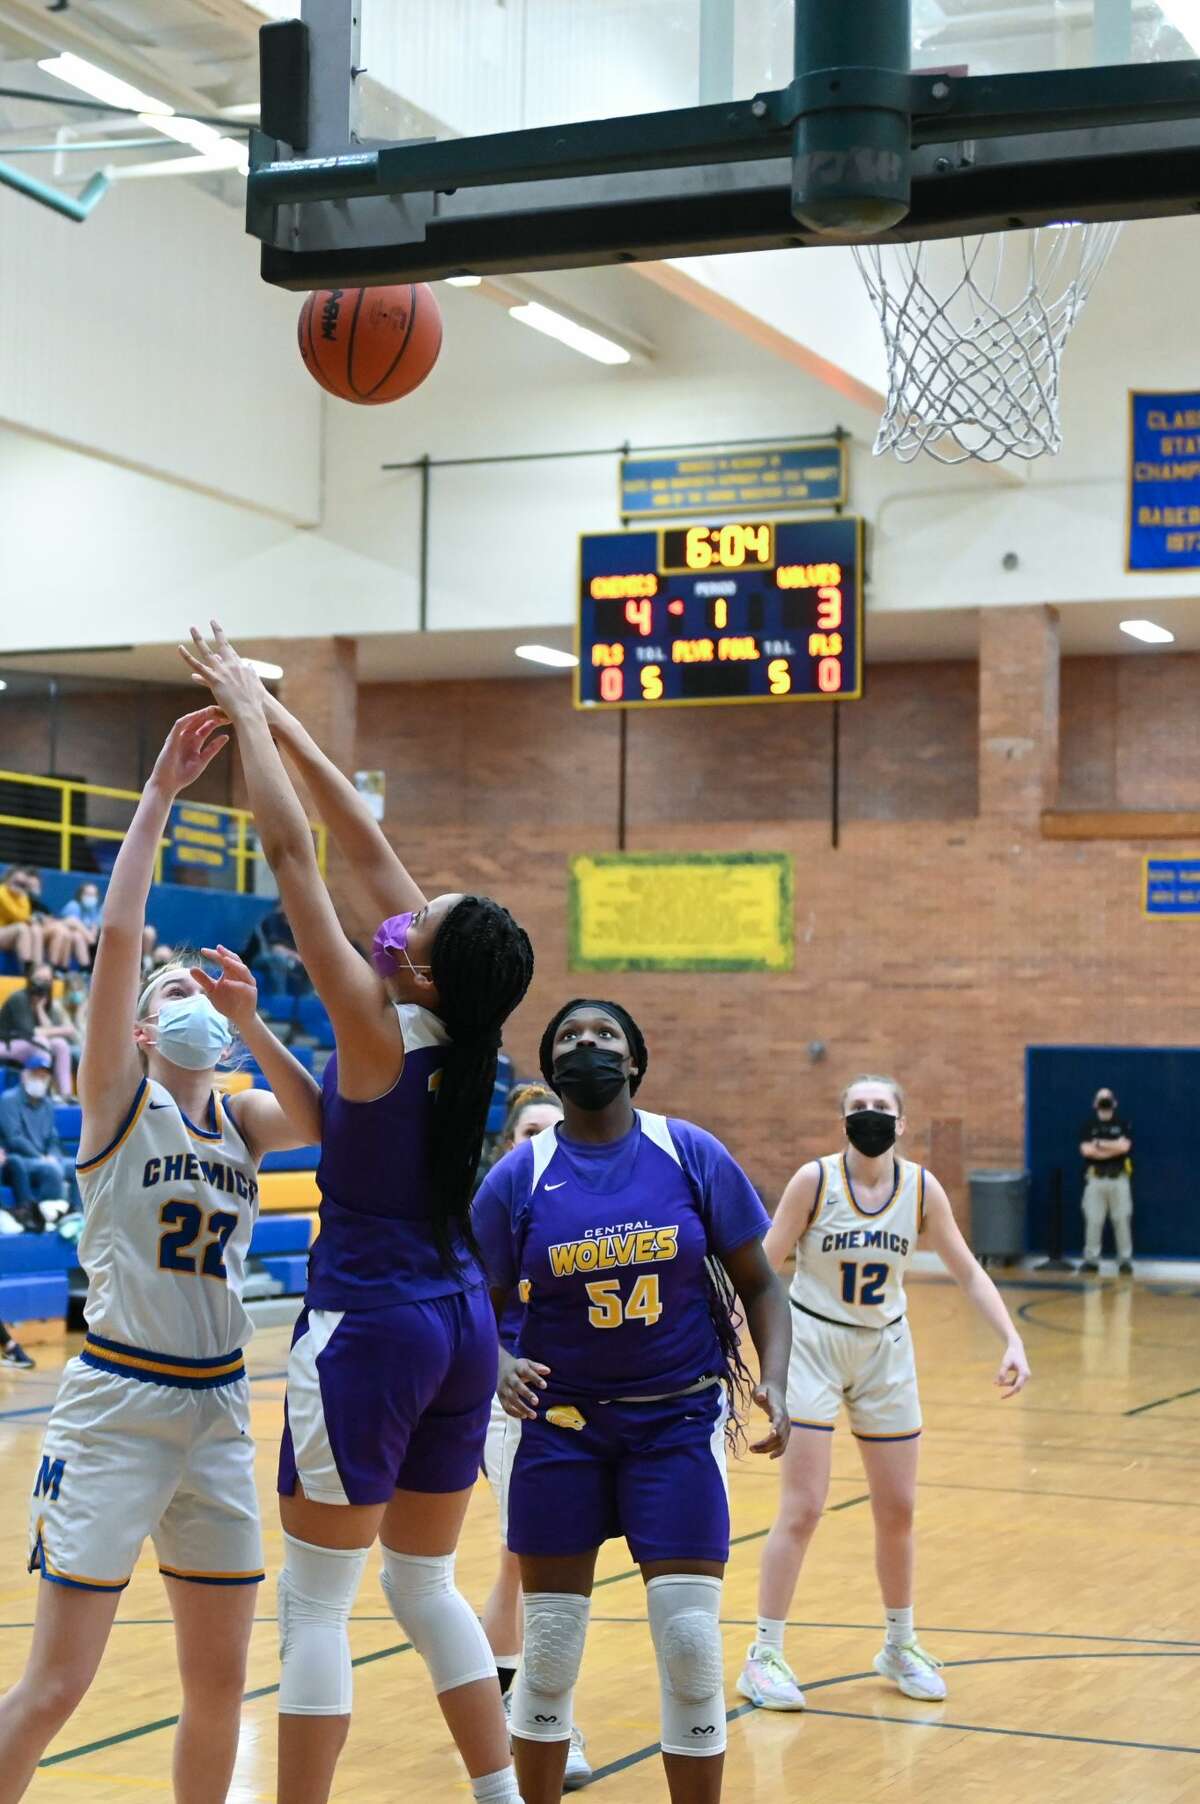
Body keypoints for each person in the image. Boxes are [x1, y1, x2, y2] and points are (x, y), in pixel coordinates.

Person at [181, 622, 535, 1804]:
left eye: (420, 924)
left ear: (423, 968)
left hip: (372, 1327)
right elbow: (364, 840)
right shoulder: (467, 1032)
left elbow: (295, 852)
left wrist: (245, 711)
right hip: (458, 1326)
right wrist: (280, 720)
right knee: (423, 1585)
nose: (406, 912)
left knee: (317, 1602)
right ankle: (498, 1794)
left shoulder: (379, 1025)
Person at [0, 712, 322, 1804]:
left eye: (199, 991)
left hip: (219, 1410)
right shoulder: (116, 1102)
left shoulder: (243, 1116)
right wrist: (158, 796)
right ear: (139, 1032)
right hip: (118, 1406)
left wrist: (253, 1021)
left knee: (221, 1688)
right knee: (57, 1684)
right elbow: (121, 932)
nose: (189, 997)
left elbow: (328, 1123)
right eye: (171, 993)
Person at [473, 998, 791, 1804]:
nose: (587, 1043)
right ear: (551, 1066)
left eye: (604, 1033)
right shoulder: (519, 1175)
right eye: (570, 1036)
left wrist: (777, 1380)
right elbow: (470, 1301)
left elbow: (760, 1283)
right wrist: (496, 1361)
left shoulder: (689, 1152)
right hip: (561, 1427)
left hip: (677, 1421)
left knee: (690, 1645)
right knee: (549, 1648)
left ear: (634, 1060)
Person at [739, 1074, 1032, 1715]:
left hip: (885, 1349)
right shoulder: (814, 1181)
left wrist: (1011, 1338)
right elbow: (760, 1271)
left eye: (881, 1107)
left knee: (898, 1508)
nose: (869, 1114)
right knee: (803, 1506)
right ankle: (763, 1655)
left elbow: (966, 1269)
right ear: (842, 1117)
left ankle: (899, 1644)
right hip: (813, 1344)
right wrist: (732, 1349)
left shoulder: (922, 1188)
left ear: (902, 1122)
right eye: (858, 1106)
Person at [478, 1085, 591, 1792]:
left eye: (554, 1128)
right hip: (513, 1400)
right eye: (530, 1130)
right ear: (509, 1143)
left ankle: (510, 1705)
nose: (542, 1139)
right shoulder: (494, 1208)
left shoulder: (591, 1209)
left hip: (582, 1403)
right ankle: (539, 1714)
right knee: (534, 1561)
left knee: (522, 1564)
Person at [0, 1051, 72, 1231]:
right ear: (24, 1076)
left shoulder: (47, 1104)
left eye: (44, 1076)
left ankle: (77, 1214)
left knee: (76, 1168)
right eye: (36, 1075)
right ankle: (46, 1216)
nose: (40, 1080)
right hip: (20, 1158)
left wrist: (52, 1155)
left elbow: (53, 1138)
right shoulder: (8, 1100)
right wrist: (41, 1157)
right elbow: (13, 1138)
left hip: (45, 1158)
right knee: (52, 1170)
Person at [1079, 1087, 1134, 1276]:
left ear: (1114, 1102)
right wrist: (1113, 1147)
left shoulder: (1122, 1124)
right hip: (1095, 1180)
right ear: (1095, 1103)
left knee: (1122, 1219)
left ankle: (1125, 1261)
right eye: (1101, 1099)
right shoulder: (1088, 1126)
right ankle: (1091, 1261)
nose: (1104, 1102)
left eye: (1108, 1099)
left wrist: (1100, 1144)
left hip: (1119, 1180)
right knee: (1093, 1220)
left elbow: (1124, 1148)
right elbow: (1087, 1151)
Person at [0, 967, 76, 1099]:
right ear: (30, 979)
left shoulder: (45, 1001)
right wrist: (63, 1030)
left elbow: (48, 1031)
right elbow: (30, 1032)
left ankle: (65, 1094)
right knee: (41, 1043)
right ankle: (41, 1094)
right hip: (6, 1044)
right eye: (39, 979)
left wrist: (40, 1009)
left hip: (28, 1044)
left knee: (60, 1044)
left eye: (47, 980)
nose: (42, 984)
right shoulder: (19, 998)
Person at [0, 869, 43, 972]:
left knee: (36, 928)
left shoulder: (22, 896)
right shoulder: (1, 892)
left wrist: (29, 920)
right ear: (8, 879)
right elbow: (17, 915)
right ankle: (26, 968)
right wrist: (28, 919)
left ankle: (37, 967)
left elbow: (25, 915)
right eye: (16, 881)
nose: (18, 886)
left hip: (10, 935)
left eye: (22, 884)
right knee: (22, 928)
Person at [60, 882, 103, 964]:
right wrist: (88, 935)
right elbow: (71, 921)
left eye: (93, 895)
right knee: (77, 936)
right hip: (67, 938)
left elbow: (94, 933)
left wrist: (91, 936)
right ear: (80, 895)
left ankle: (88, 968)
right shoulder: (73, 906)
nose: (91, 897)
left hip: (88, 942)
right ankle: (84, 967)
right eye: (88, 894)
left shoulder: (95, 910)